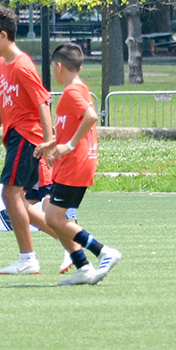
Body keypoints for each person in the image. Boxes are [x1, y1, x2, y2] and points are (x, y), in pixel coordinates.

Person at [0, 5, 63, 275]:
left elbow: (43, 102)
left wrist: (49, 142)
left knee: (9, 193)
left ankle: (28, 259)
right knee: (21, 202)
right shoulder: (0, 66)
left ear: (3, 35)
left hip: (28, 136)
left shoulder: (22, 64)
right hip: (14, 139)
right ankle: (73, 244)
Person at [37, 43, 122, 285]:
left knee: (53, 219)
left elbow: (91, 118)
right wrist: (52, 145)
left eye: (54, 67)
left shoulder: (73, 92)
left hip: (75, 164)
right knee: (51, 214)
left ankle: (103, 251)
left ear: (60, 67)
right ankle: (83, 267)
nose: (53, 72)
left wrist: (70, 146)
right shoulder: (79, 90)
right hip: (73, 164)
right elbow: (70, 128)